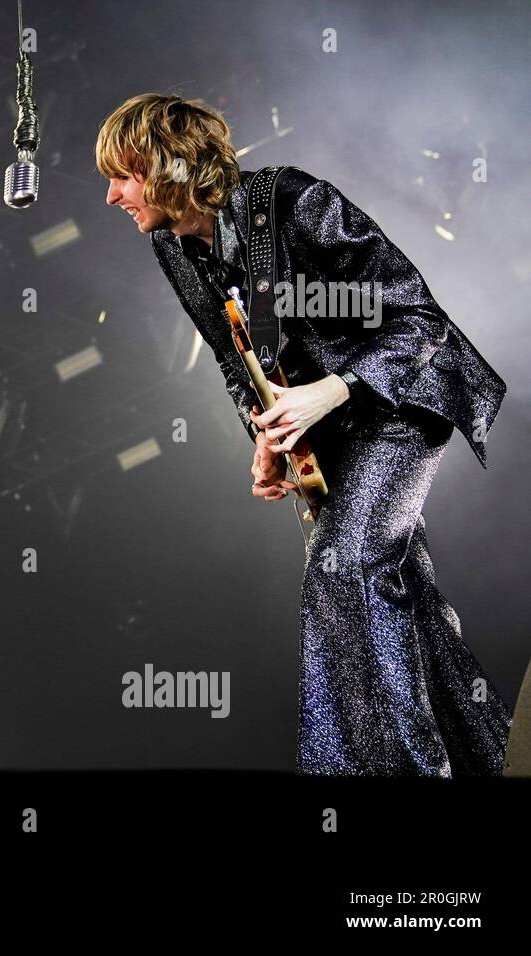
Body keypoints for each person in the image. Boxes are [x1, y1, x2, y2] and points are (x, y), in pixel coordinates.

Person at [95, 93, 511, 775]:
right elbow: (240, 364)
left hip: (401, 399)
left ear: (168, 165)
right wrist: (268, 439)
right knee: (408, 605)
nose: (111, 196)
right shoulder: (173, 246)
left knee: (343, 571)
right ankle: (491, 760)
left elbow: (421, 319)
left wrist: (330, 389)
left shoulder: (290, 201)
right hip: (330, 427)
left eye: (123, 175)